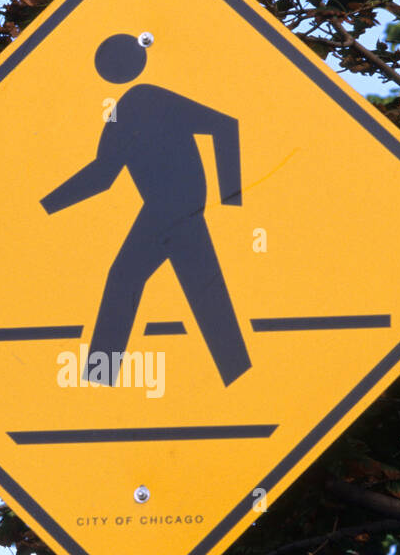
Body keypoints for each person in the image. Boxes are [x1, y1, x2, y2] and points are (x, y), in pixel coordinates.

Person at [41, 33, 251, 388]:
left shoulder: (146, 98)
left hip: (175, 205)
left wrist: (231, 196)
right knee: (202, 288)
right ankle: (240, 377)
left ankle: (99, 379)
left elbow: (224, 125)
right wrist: (46, 206)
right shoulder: (121, 114)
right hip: (169, 209)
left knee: (125, 277)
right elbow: (103, 176)